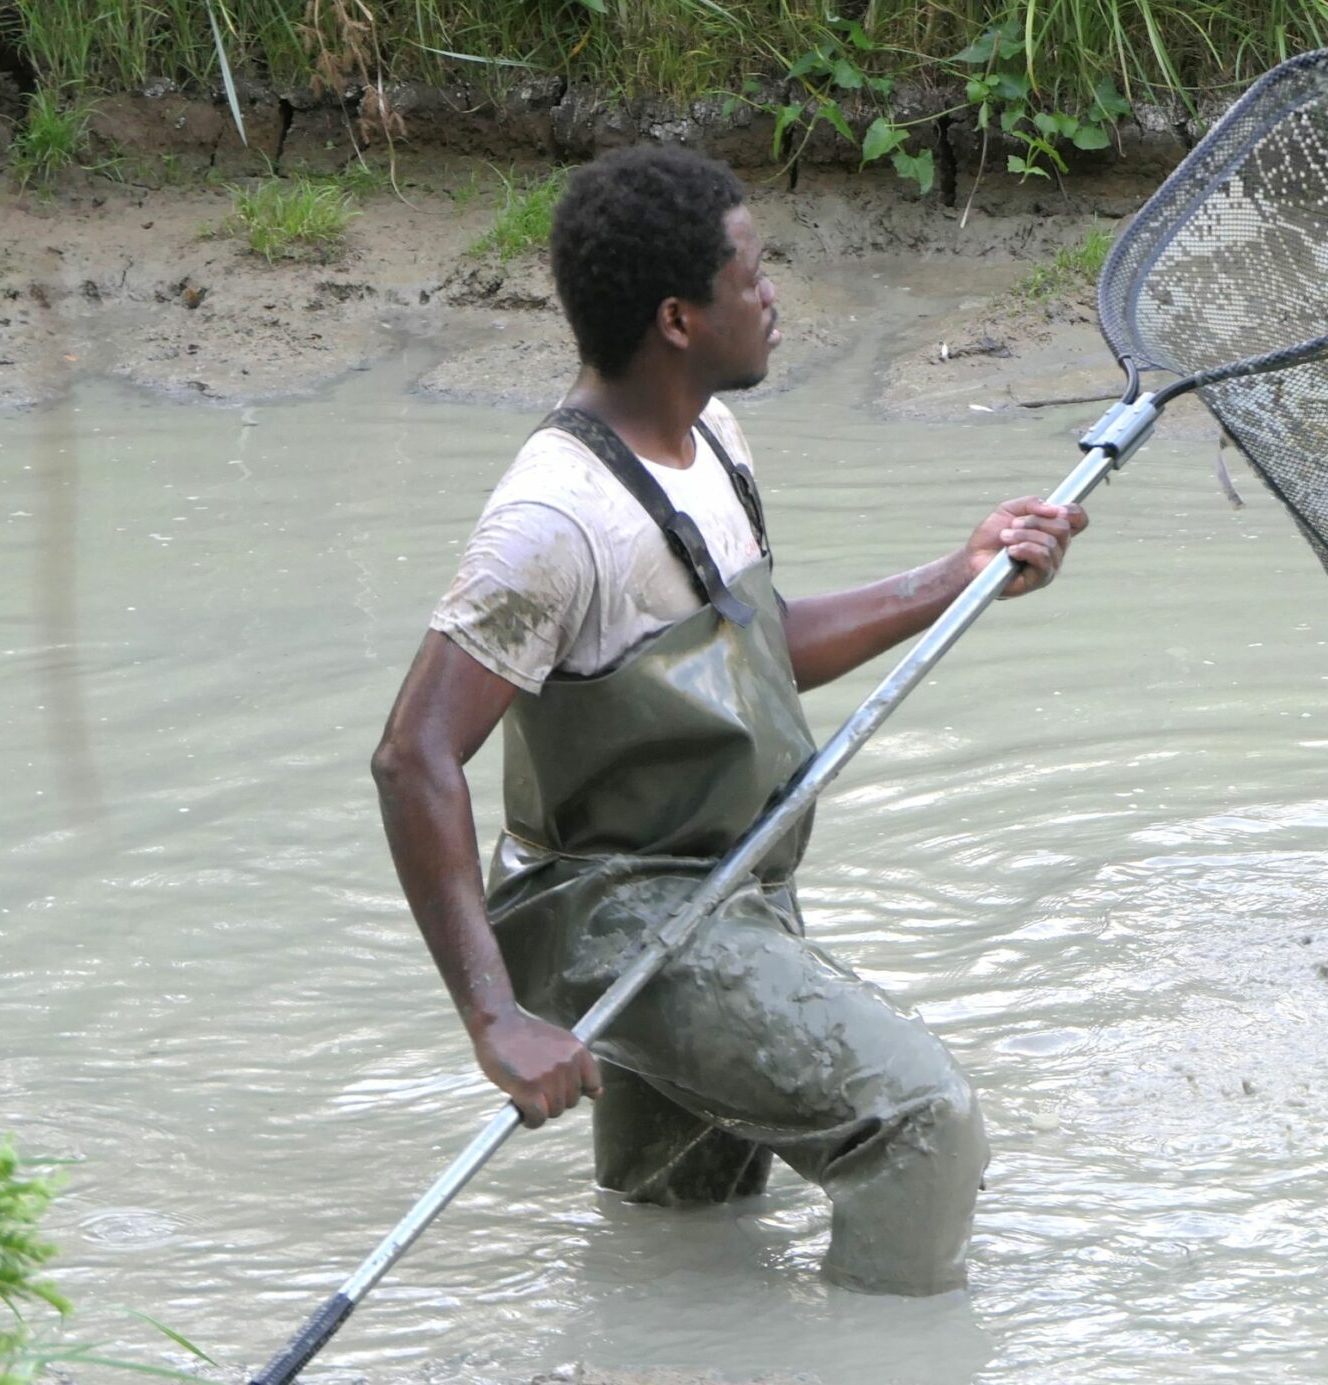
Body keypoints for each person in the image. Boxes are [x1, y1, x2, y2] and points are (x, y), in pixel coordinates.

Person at [370, 145, 1087, 1297]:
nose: (773, 294)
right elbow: (415, 757)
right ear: (677, 318)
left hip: (728, 877)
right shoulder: (551, 520)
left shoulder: (710, 440)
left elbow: (747, 654)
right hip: (620, 914)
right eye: (751, 273)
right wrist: (495, 1017)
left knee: (679, 1229)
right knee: (922, 1121)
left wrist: (956, 575)